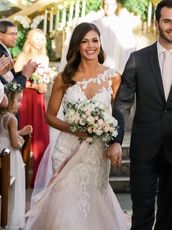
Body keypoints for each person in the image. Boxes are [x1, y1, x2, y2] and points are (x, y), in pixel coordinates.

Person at [108, 1, 172, 229]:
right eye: (167, 21)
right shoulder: (138, 59)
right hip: (145, 148)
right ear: (157, 23)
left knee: (167, 216)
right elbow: (122, 104)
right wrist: (115, 140)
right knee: (142, 213)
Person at [25, 22, 127, 230]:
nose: (90, 46)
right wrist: (75, 129)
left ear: (100, 44)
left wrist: (114, 141)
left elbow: (119, 115)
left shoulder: (113, 77)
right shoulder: (64, 78)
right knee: (64, 198)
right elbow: (50, 117)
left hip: (97, 152)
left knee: (94, 198)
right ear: (77, 46)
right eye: (84, 41)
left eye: (95, 40)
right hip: (67, 148)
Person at [14, 28, 50, 187]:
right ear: (30, 40)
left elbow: (46, 80)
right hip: (26, 97)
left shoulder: (45, 58)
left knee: (42, 138)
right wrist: (32, 84)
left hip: (39, 98)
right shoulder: (23, 56)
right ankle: (18, 175)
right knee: (23, 134)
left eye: (42, 39)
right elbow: (16, 81)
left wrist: (43, 86)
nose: (39, 42)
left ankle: (38, 179)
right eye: (36, 38)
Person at [0, 81, 32, 229]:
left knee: (3, 188)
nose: (20, 104)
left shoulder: (2, 117)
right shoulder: (12, 119)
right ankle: (10, 220)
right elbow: (14, 144)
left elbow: (5, 137)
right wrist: (22, 141)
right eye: (18, 100)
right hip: (11, 157)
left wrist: (20, 132)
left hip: (2, 153)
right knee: (12, 189)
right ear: (10, 100)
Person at [0, 19, 37, 87]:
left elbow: (10, 77)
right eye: (11, 34)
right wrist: (25, 75)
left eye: (16, 34)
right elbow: (9, 86)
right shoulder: (1, 53)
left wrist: (25, 70)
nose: (15, 37)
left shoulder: (4, 50)